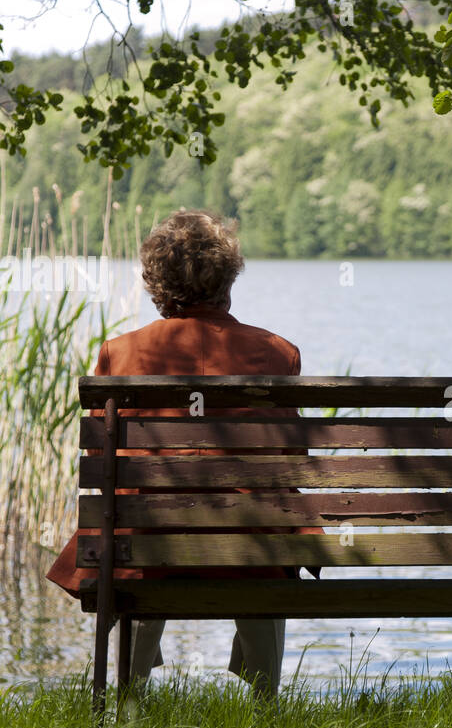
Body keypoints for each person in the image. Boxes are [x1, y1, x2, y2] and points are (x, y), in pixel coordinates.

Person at [46, 209, 323, 698]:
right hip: (250, 552)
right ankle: (266, 706)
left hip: (149, 549)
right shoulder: (278, 353)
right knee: (270, 522)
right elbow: (292, 454)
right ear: (228, 277)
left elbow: (104, 463)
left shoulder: (122, 354)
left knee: (133, 522)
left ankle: (129, 703)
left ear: (158, 284)